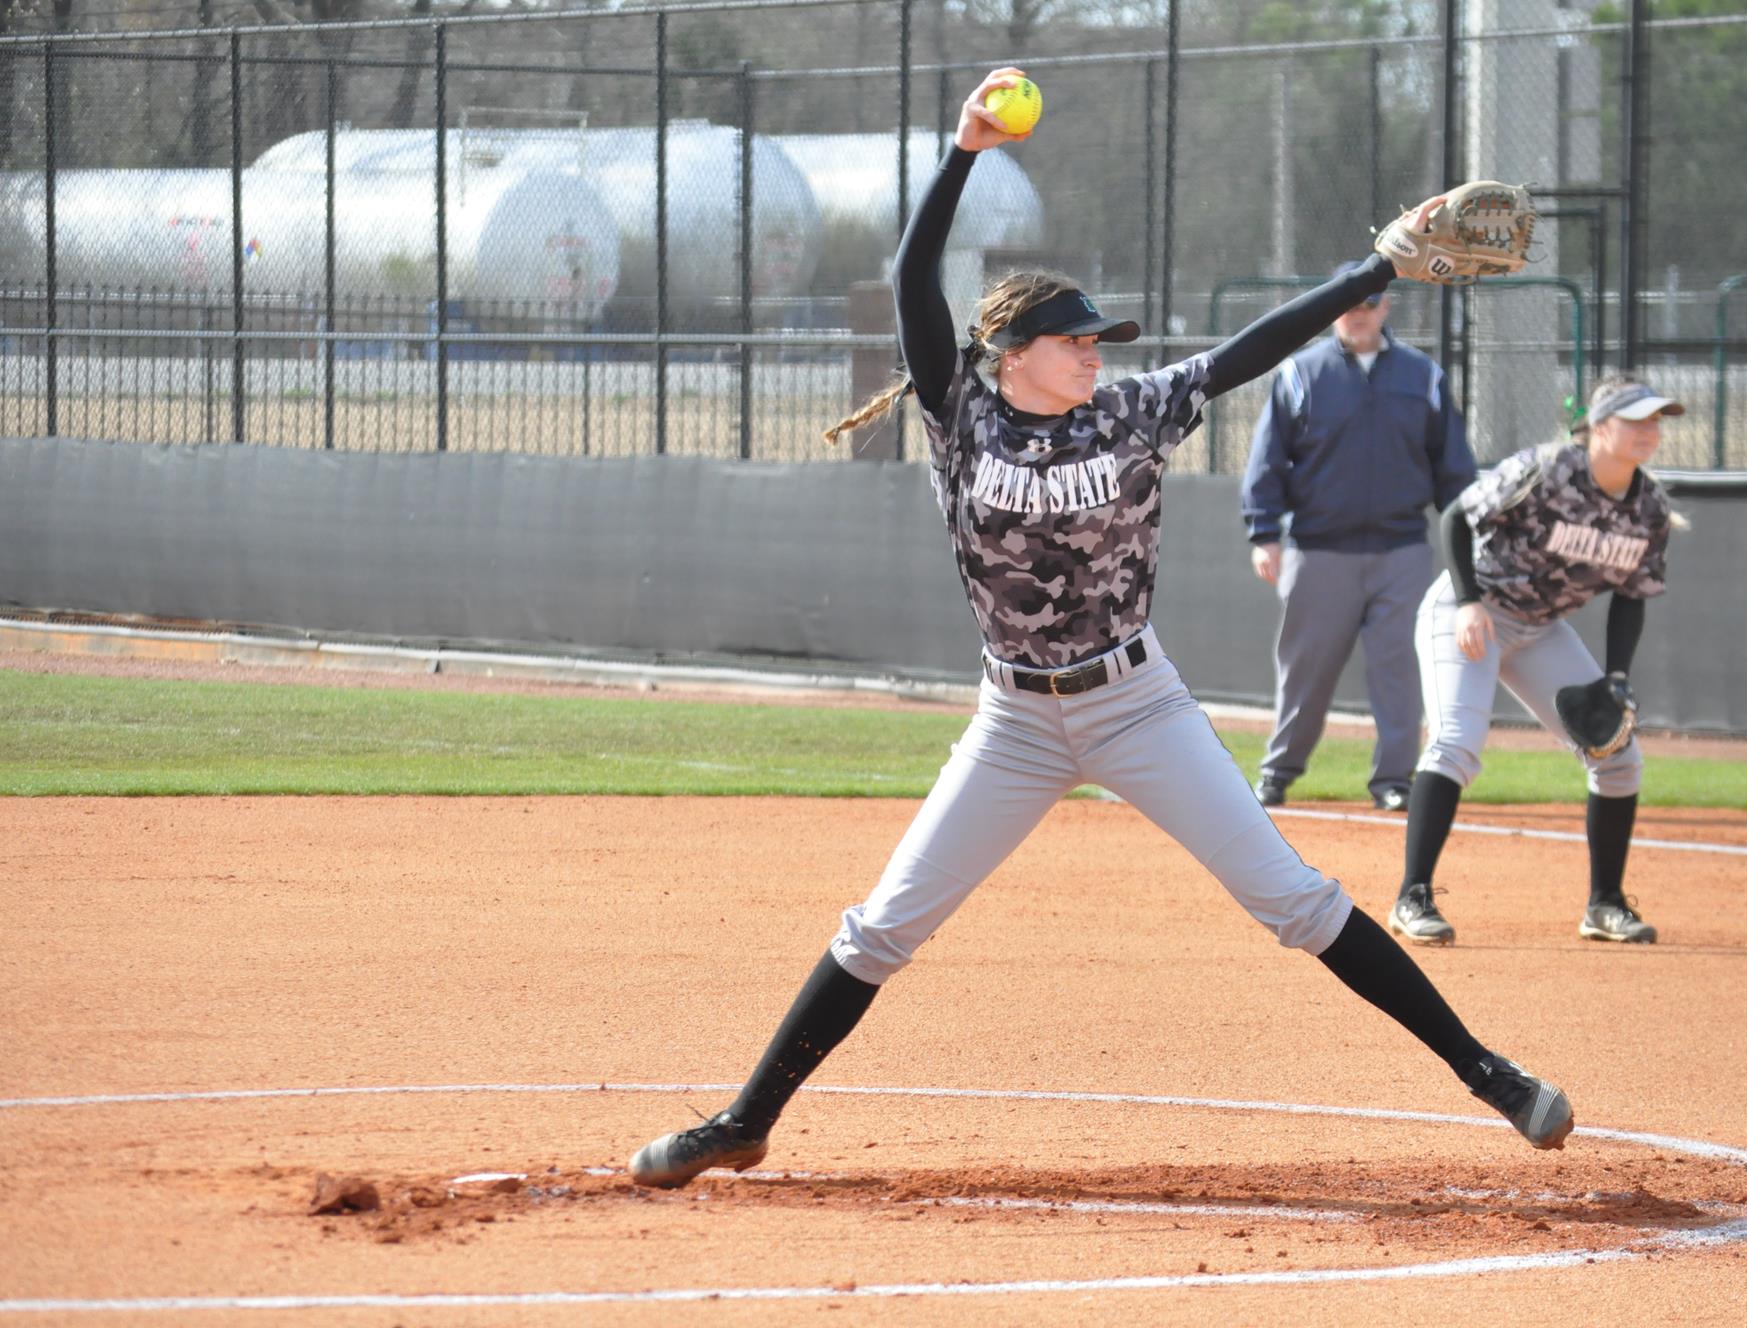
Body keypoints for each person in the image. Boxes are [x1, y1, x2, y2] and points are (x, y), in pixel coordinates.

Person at [628, 68, 1573, 1190]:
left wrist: (1376, 268)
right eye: (1074, 341)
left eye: (1097, 339)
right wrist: (965, 150)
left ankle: (1488, 1074)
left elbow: (1252, 348)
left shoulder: (1131, 409)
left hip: (1138, 704)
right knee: (882, 924)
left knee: (1293, 898)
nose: (1094, 353)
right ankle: (743, 1118)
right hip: (1012, 721)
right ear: (1012, 352)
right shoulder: (960, 412)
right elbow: (911, 279)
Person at [1388, 374, 1686, 948]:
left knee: (1618, 757)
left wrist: (1617, 678)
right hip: (1469, 609)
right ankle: (1413, 895)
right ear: (1600, 428)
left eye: (1656, 421)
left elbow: (1632, 595)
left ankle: (1605, 904)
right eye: (1637, 419)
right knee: (1455, 741)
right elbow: (1456, 517)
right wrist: (1470, 601)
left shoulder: (1649, 507)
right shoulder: (1547, 469)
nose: (1650, 431)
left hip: (1540, 628)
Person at [1241, 263, 1475, 812]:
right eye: (1347, 307)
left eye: (1367, 306)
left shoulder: (1423, 376)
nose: (1357, 316)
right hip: (1319, 549)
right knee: (1305, 670)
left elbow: (1454, 469)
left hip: (1402, 549)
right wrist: (1263, 532)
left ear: (1384, 308)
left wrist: (1472, 534)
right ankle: (1278, 773)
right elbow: (1266, 461)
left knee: (1399, 672)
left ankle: (1393, 780)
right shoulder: (1301, 373)